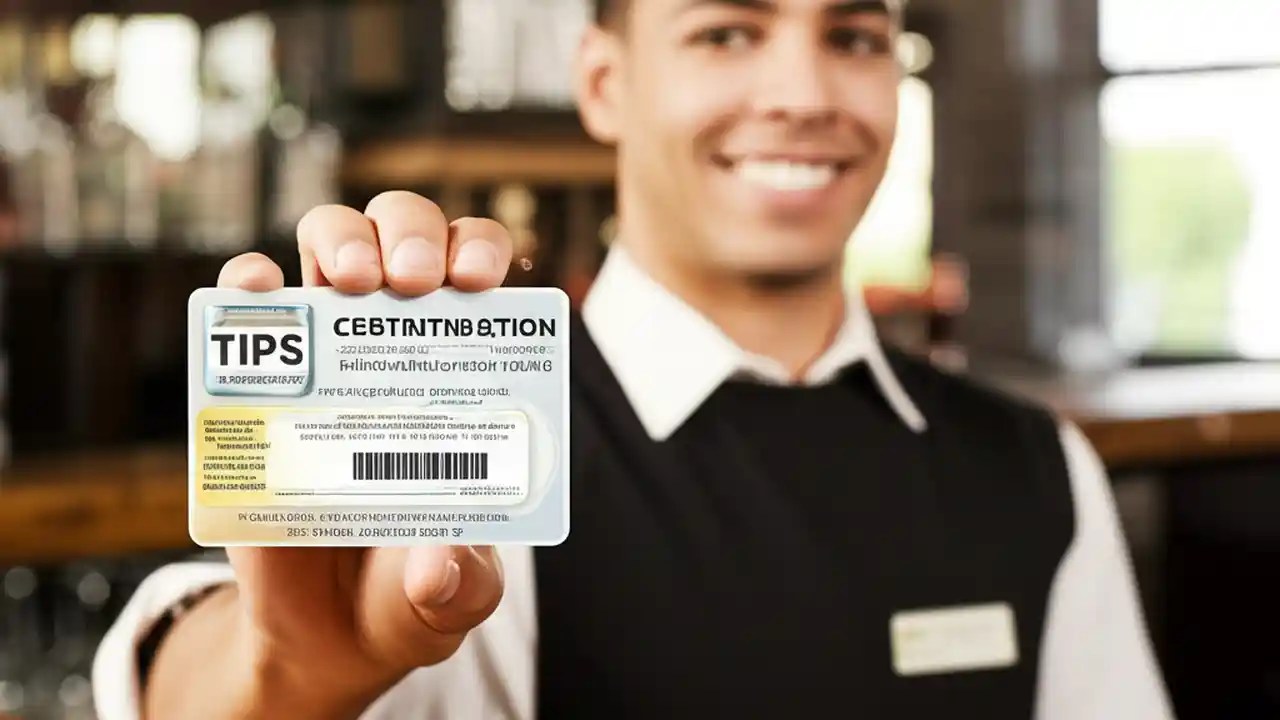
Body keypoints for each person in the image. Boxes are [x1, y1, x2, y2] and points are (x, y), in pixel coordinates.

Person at [94, 0, 1174, 717]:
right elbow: (209, 683)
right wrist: (284, 669)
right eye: (724, 32)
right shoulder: (483, 448)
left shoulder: (1035, 470)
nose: (802, 93)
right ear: (603, 82)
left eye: (852, 37)